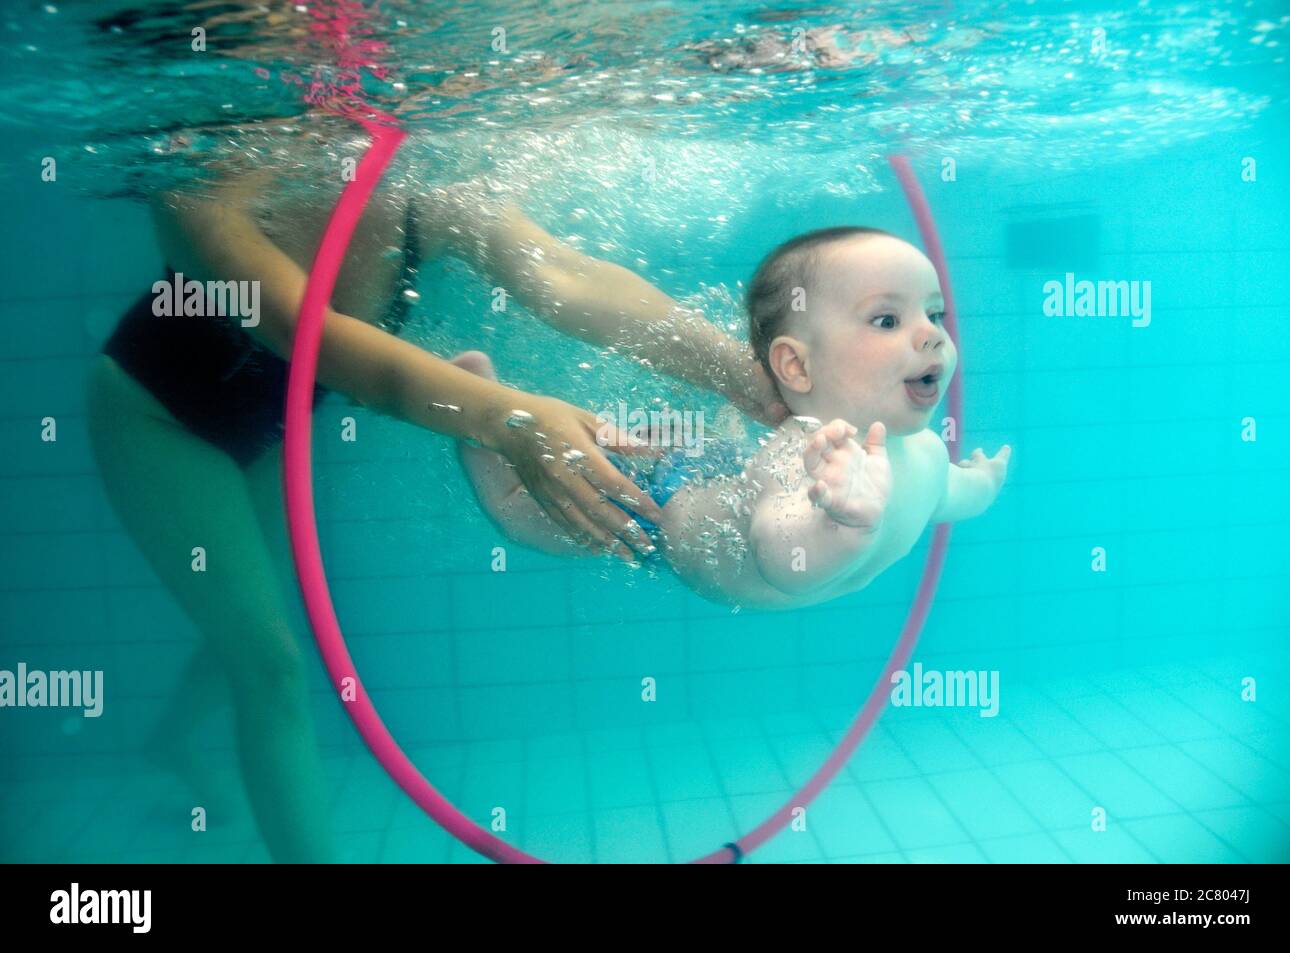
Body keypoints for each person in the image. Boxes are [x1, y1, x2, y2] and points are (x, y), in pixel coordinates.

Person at [86, 168, 787, 862]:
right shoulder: (199, 180)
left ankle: (171, 738)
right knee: (269, 665)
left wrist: (746, 378)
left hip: (270, 426)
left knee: (244, 613)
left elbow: (569, 277)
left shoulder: (429, 185)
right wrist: (509, 422)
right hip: (156, 417)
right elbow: (309, 337)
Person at [455, 227, 1012, 609]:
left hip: (722, 475)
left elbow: (945, 495)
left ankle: (660, 441)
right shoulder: (802, 456)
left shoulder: (927, 454)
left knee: (693, 451)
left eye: (934, 312)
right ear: (795, 365)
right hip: (665, 514)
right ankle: (478, 412)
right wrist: (837, 522)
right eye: (888, 320)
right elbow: (780, 555)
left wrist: (981, 484)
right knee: (543, 520)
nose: (932, 333)